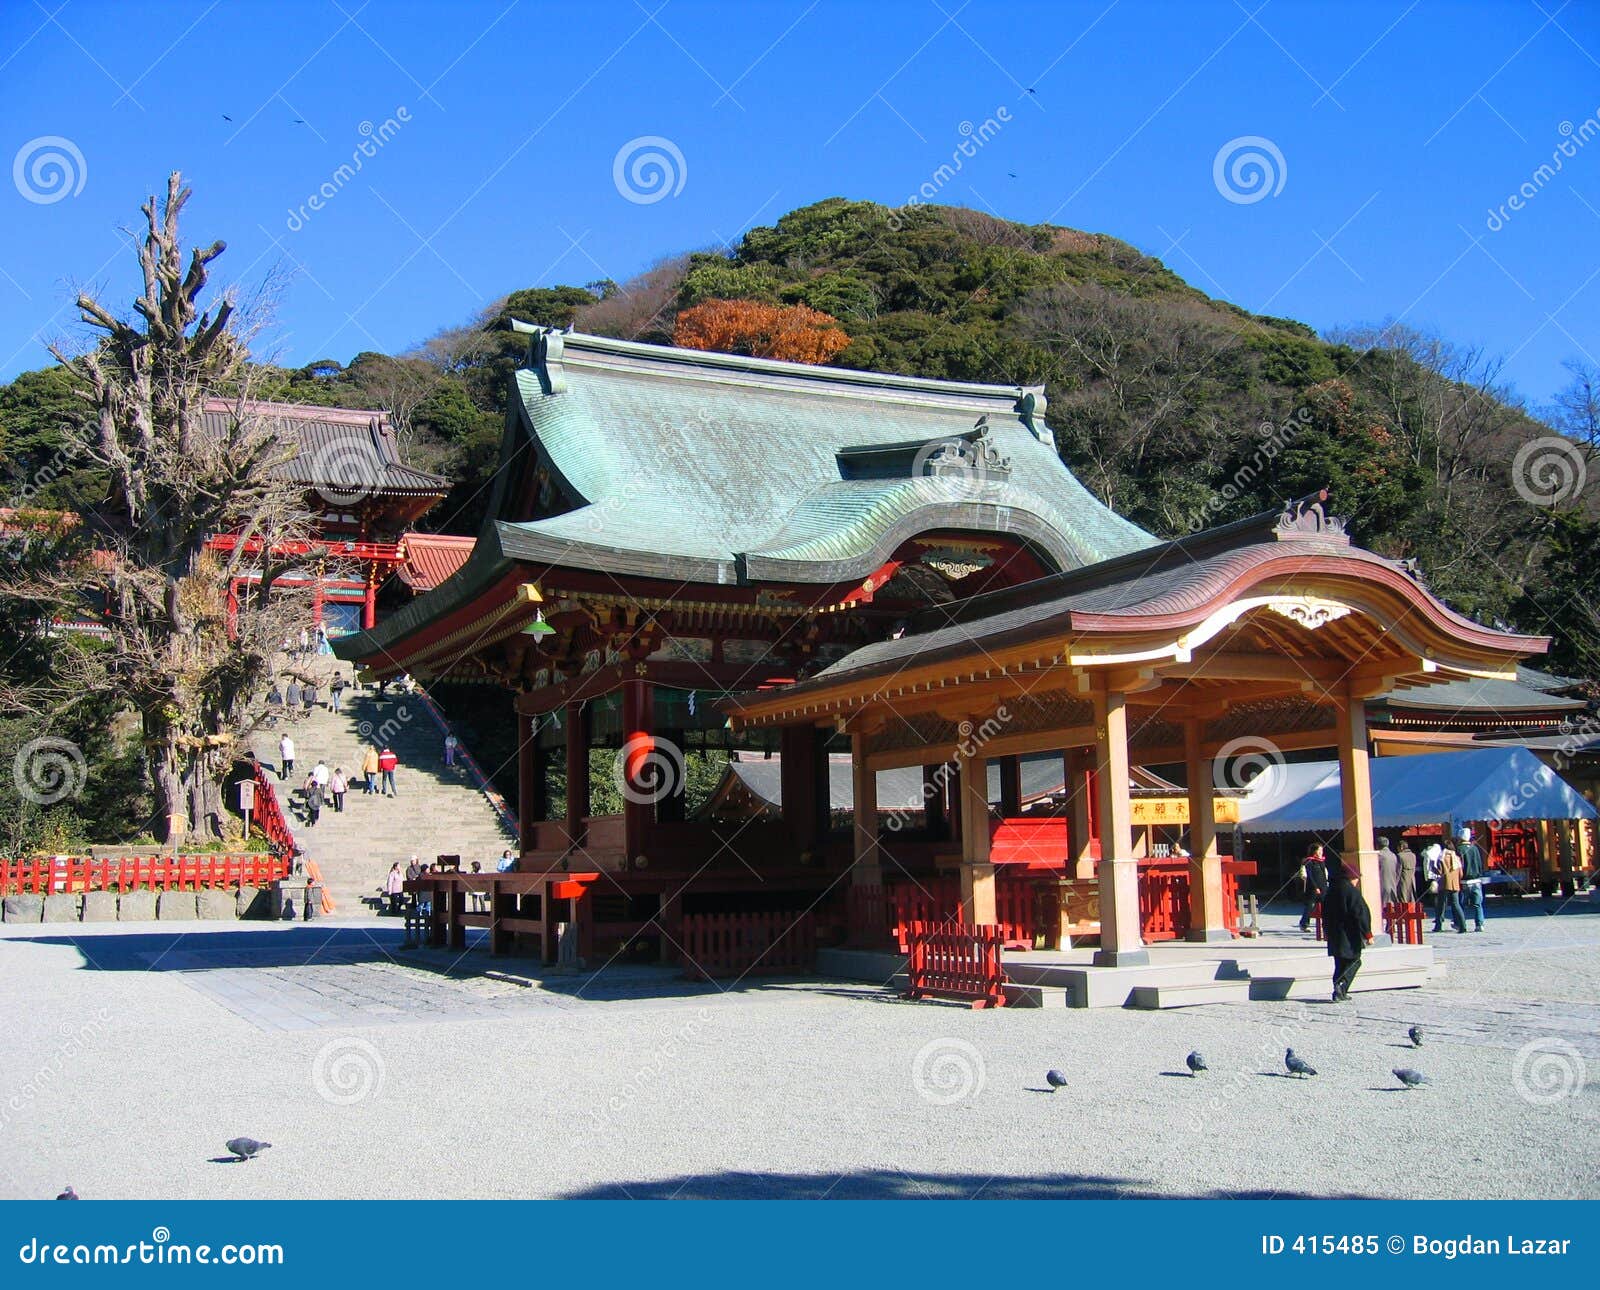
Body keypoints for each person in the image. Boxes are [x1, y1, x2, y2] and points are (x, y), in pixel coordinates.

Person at [1322, 860, 1373, 1001]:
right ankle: (1341, 985)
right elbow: (1360, 913)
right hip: (1349, 934)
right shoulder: (1351, 892)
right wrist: (1367, 934)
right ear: (1352, 877)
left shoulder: (1331, 890)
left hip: (1334, 933)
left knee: (1340, 963)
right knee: (1354, 961)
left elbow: (1324, 913)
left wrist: (1326, 931)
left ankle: (1339, 991)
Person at [1431, 841, 1467, 933]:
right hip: (1455, 884)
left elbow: (1439, 871)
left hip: (1444, 884)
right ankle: (1463, 925)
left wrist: (1432, 867)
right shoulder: (1457, 858)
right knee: (1456, 904)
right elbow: (1461, 873)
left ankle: (1438, 926)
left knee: (1441, 905)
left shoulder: (1441, 857)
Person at [1457, 825, 1487, 931]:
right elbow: (1479, 863)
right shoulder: (1475, 849)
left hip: (1464, 880)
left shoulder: (1459, 850)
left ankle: (1460, 923)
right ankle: (1479, 924)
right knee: (1477, 904)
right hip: (1476, 880)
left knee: (1461, 904)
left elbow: (1459, 866)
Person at [1298, 842, 1329, 932]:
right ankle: (1304, 924)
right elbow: (1310, 876)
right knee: (1310, 906)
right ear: (1314, 851)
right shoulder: (1309, 861)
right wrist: (1315, 887)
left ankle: (1326, 925)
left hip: (1323, 887)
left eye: (1321, 850)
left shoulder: (1322, 862)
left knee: (1325, 907)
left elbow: (1324, 875)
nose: (1321, 852)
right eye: (1319, 850)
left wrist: (1326, 885)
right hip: (1313, 888)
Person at [1377, 835, 1399, 906]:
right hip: (1392, 883)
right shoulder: (1393, 855)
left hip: (1382, 884)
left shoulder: (1379, 855)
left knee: (1383, 907)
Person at [1397, 838, 1419, 904]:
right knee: (1412, 897)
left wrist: (1395, 883)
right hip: (1412, 880)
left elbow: (1398, 871)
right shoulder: (1413, 855)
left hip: (1403, 880)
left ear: (1401, 847)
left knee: (1403, 898)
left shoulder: (1400, 856)